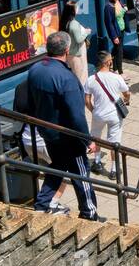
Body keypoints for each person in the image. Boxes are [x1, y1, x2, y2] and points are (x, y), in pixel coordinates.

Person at [27, 32, 103, 221]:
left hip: (48, 132)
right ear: (67, 50)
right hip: (69, 137)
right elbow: (77, 116)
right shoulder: (67, 78)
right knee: (81, 175)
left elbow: (31, 101)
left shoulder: (35, 69)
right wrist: (87, 141)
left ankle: (41, 204)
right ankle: (89, 213)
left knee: (58, 167)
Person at [84, 50, 130, 177]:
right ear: (108, 62)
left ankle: (97, 162)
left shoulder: (91, 79)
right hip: (114, 115)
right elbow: (127, 93)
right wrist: (126, 100)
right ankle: (114, 170)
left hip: (98, 114)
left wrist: (94, 111)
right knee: (114, 142)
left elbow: (87, 100)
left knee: (96, 137)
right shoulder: (117, 78)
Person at [59, 0, 91, 84]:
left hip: (70, 53)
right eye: (76, 8)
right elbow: (79, 39)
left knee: (75, 75)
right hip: (77, 53)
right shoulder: (73, 24)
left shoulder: (64, 22)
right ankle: (83, 95)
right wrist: (86, 32)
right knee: (81, 77)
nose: (78, 9)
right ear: (72, 11)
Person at [102, 0, 127, 75]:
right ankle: (120, 72)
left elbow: (122, 14)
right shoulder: (108, 6)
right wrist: (114, 36)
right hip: (116, 33)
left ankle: (114, 68)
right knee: (119, 52)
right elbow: (109, 23)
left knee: (117, 50)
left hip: (122, 30)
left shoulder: (119, 2)